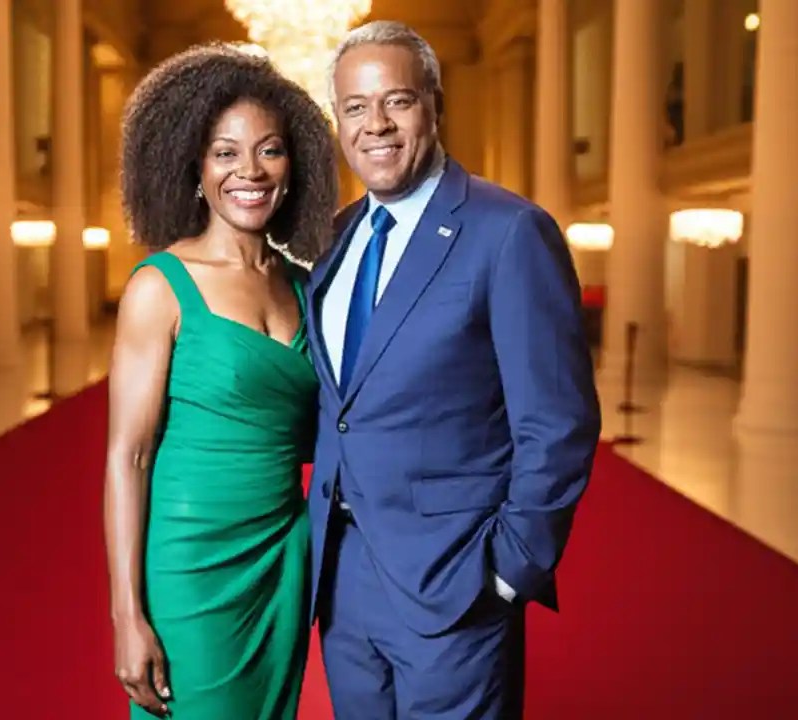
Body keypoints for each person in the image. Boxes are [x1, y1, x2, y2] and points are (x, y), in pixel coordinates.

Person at [306, 21, 601, 719]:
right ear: (338, 122)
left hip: (454, 580)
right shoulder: (337, 236)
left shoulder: (508, 231)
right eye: (354, 107)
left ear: (435, 105)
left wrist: (507, 572)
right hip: (342, 579)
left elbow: (558, 421)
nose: (375, 124)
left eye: (398, 101)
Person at [103, 44, 338, 719]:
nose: (249, 171)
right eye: (225, 152)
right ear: (195, 168)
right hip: (191, 562)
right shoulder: (160, 287)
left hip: (280, 556)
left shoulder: (303, 286)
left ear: (294, 167)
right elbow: (129, 454)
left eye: (269, 150)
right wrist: (126, 613)